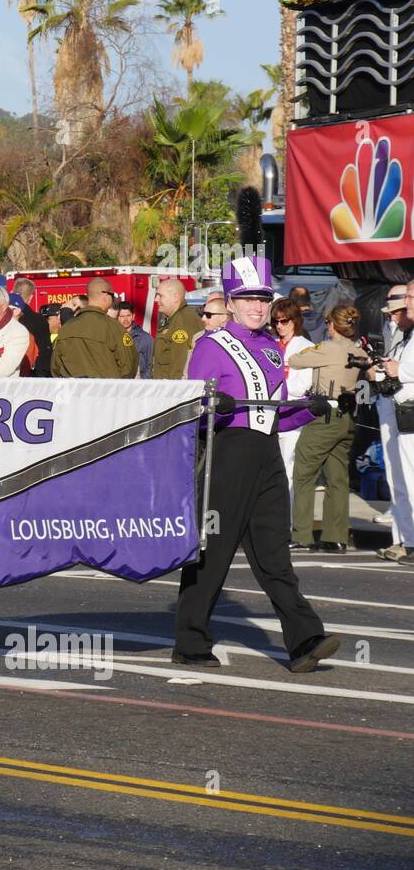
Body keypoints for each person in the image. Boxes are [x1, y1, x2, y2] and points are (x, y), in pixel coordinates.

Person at [176, 254, 340, 673]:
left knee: (275, 555)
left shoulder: (270, 348)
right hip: (227, 455)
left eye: (263, 299)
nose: (257, 306)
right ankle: (190, 642)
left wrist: (310, 409)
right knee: (212, 554)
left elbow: (275, 414)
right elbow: (194, 411)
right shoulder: (210, 347)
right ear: (230, 302)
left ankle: (305, 639)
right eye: (247, 298)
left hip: (265, 455)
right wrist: (217, 407)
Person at [287, 305, 364, 553]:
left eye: (329, 322)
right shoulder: (357, 350)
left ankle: (301, 534)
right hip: (346, 416)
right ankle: (336, 535)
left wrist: (315, 348)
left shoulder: (329, 348)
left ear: (332, 325)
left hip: (326, 415)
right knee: (338, 478)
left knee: (304, 472)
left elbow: (295, 360)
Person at [371, 286, 413, 561]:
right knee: (404, 479)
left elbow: (405, 369)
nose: (405, 305)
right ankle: (407, 540)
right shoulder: (405, 335)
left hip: (408, 409)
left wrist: (401, 370)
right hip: (400, 409)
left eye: (409, 298)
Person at [270, 297, 313, 507]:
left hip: (293, 415)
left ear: (295, 320)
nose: (279, 326)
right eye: (276, 322)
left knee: (289, 469)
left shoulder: (306, 347)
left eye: (284, 321)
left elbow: (303, 385)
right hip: (271, 414)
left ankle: (287, 523)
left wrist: (280, 384)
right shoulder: (270, 344)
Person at [51, 276, 138, 379]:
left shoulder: (66, 329)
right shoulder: (114, 328)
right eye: (112, 296)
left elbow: (55, 368)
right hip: (105, 392)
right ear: (105, 296)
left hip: (74, 392)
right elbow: (128, 367)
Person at [152, 278, 203, 380]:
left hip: (172, 391)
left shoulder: (183, 320)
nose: (156, 299)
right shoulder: (173, 319)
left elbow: (180, 363)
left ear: (175, 297)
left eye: (160, 295)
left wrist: (175, 391)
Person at [11, 278, 52, 376]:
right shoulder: (39, 320)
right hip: (33, 372)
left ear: (13, 292)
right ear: (31, 297)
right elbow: (44, 352)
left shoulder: (2, 318)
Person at [116, 303, 153, 379]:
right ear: (117, 318)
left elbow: (150, 365)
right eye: (122, 316)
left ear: (133, 316)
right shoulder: (112, 337)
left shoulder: (146, 338)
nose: (125, 319)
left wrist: (143, 383)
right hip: (118, 384)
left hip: (138, 385)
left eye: (128, 316)